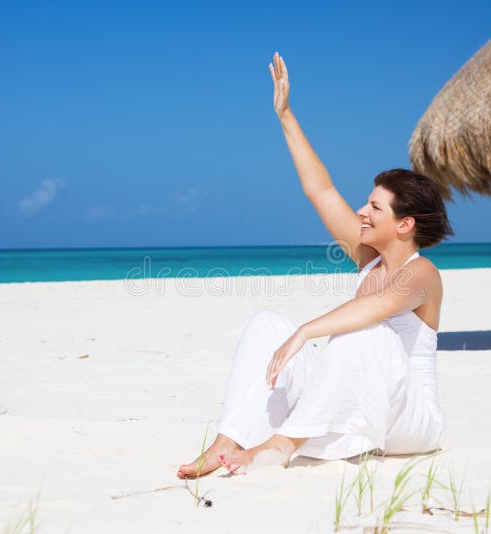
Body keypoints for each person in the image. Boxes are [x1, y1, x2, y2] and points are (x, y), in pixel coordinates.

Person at [177, 52, 454, 478]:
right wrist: (285, 115)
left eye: (374, 206)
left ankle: (279, 447)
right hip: (356, 394)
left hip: (410, 419)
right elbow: (321, 189)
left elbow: (376, 309)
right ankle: (225, 442)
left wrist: (307, 331)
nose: (362, 211)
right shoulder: (367, 258)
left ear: (405, 224)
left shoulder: (422, 274)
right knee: (268, 323)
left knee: (364, 333)